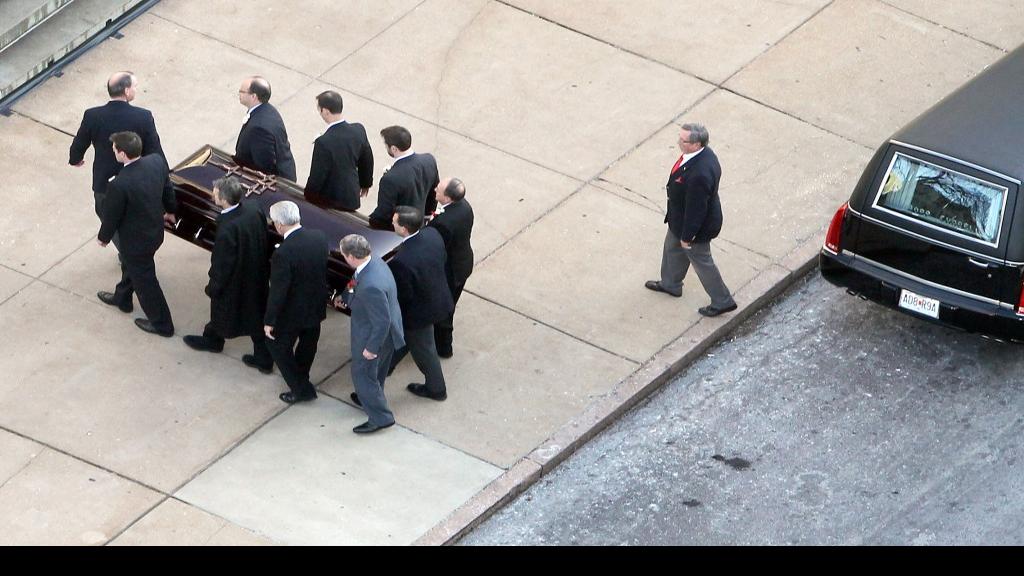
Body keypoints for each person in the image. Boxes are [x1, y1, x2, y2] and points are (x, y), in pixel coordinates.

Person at [183, 177, 273, 373]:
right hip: (256, 273)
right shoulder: (254, 208)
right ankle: (263, 357)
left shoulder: (227, 229)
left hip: (236, 281)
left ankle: (214, 340)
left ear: (223, 200)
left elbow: (222, 265)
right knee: (257, 314)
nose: (213, 193)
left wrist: (213, 286)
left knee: (223, 312)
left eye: (215, 192)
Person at [645, 123, 737, 317]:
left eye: (683, 140)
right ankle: (671, 284)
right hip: (680, 220)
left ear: (696, 144)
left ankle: (722, 300)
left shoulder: (699, 174)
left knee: (701, 261)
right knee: (672, 248)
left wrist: (688, 236)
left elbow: (697, 210)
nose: (679, 142)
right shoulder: (703, 155)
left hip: (694, 226)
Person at [96, 131, 176, 337]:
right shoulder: (156, 162)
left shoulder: (119, 184)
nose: (113, 152)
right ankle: (122, 298)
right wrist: (170, 210)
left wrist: (103, 238)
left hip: (136, 242)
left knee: (146, 281)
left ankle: (162, 325)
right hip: (154, 232)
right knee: (134, 268)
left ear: (122, 154)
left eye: (115, 150)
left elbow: (111, 215)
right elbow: (168, 188)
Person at [69, 71, 164, 219]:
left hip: (105, 184)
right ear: (126, 91)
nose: (136, 89)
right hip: (136, 184)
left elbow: (80, 141)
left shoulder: (92, 115)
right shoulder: (143, 117)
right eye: (135, 86)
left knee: (109, 220)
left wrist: (75, 159)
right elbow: (155, 150)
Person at [336, 234, 404, 434]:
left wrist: (371, 349)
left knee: (362, 374)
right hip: (388, 334)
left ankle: (380, 417)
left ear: (351, 257)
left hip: (374, 337)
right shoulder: (373, 262)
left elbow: (381, 322)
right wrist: (345, 297)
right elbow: (355, 281)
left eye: (343, 255)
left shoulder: (371, 286)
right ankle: (370, 396)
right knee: (377, 373)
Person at [264, 201, 327, 404]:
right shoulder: (319, 237)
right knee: (308, 344)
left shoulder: (283, 253)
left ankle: (301, 388)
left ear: (280, 225)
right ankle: (302, 375)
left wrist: (270, 320)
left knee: (277, 346)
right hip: (315, 305)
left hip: (293, 312)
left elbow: (278, 291)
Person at [387, 206, 453, 401]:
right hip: (438, 297)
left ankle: (437, 389)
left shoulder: (402, 261)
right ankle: (382, 370)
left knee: (424, 350)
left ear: (404, 229)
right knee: (403, 344)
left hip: (419, 314)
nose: (392, 223)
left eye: (395, 221)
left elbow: (403, 296)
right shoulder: (432, 235)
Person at [304, 90, 374, 211]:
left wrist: (307, 197)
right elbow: (367, 159)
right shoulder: (358, 129)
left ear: (325, 111)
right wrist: (365, 183)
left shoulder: (323, 142)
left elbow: (318, 176)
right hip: (351, 195)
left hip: (330, 200)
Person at [427, 177, 474, 358]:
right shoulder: (465, 207)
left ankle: (444, 348)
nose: (435, 191)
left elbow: (436, 248)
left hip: (451, 271)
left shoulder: (444, 223)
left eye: (438, 189)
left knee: (444, 310)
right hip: (463, 262)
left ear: (447, 199)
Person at [368, 125, 438, 229]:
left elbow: (384, 213)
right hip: (420, 223)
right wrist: (426, 216)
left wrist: (371, 221)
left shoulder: (390, 179)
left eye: (386, 145)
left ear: (394, 148)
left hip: (400, 229)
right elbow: (434, 193)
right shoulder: (429, 160)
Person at [235, 76, 297, 181]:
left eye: (242, 91)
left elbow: (264, 166)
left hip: (275, 182)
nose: (239, 94)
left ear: (253, 96)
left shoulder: (259, 129)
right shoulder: (268, 110)